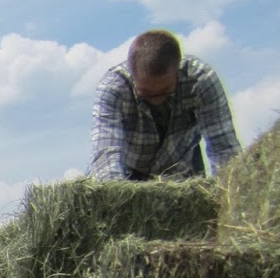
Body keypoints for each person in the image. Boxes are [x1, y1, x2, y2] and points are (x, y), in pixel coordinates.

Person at [89, 30, 241, 181]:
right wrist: (117, 197)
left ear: (177, 69)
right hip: (129, 170)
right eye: (146, 93)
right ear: (132, 73)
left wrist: (228, 192)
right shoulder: (113, 88)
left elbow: (222, 146)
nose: (156, 100)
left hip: (182, 166)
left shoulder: (201, 80)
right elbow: (105, 152)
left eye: (165, 92)